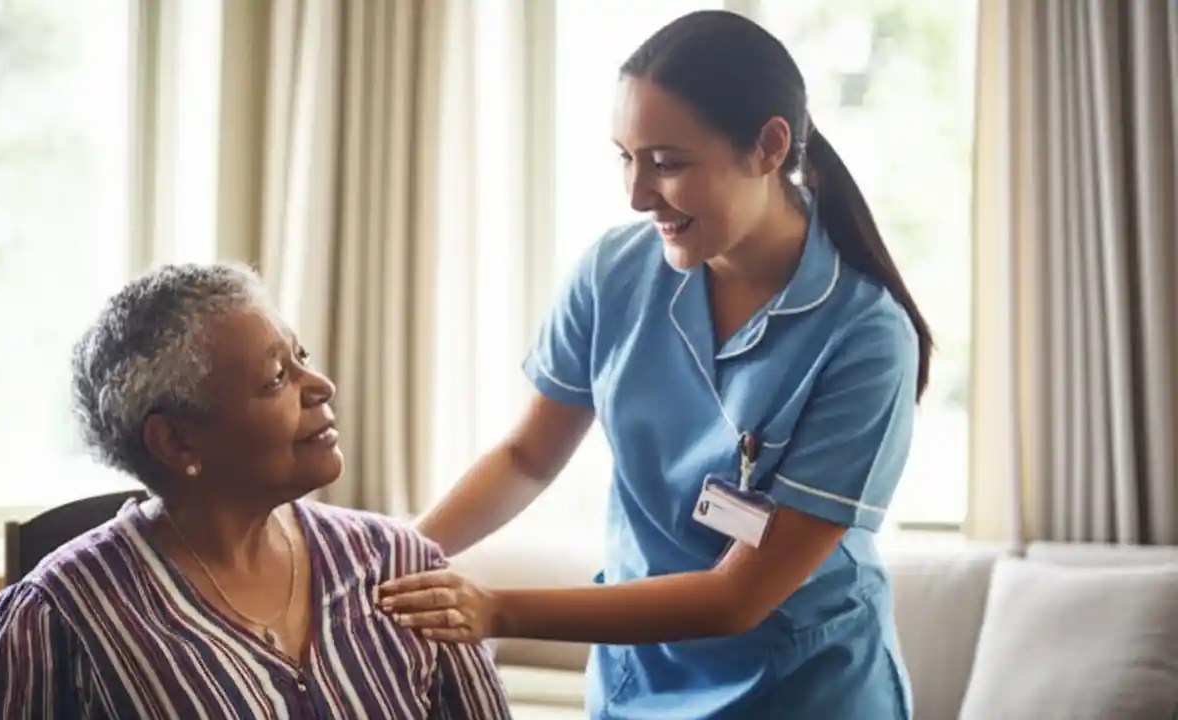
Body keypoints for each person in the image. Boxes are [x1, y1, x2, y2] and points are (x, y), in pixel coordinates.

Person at [378, 10, 930, 719]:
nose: (637, 195)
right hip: (638, 684)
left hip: (800, 691)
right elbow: (526, 457)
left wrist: (496, 611)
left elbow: (739, 596)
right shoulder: (616, 272)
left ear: (767, 146)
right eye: (625, 157)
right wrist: (394, 555)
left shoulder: (865, 337)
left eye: (666, 163)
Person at [0, 264, 511, 719]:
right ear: (176, 442)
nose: (321, 387)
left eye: (301, 359)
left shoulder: (400, 565)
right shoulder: (58, 616)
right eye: (275, 379)